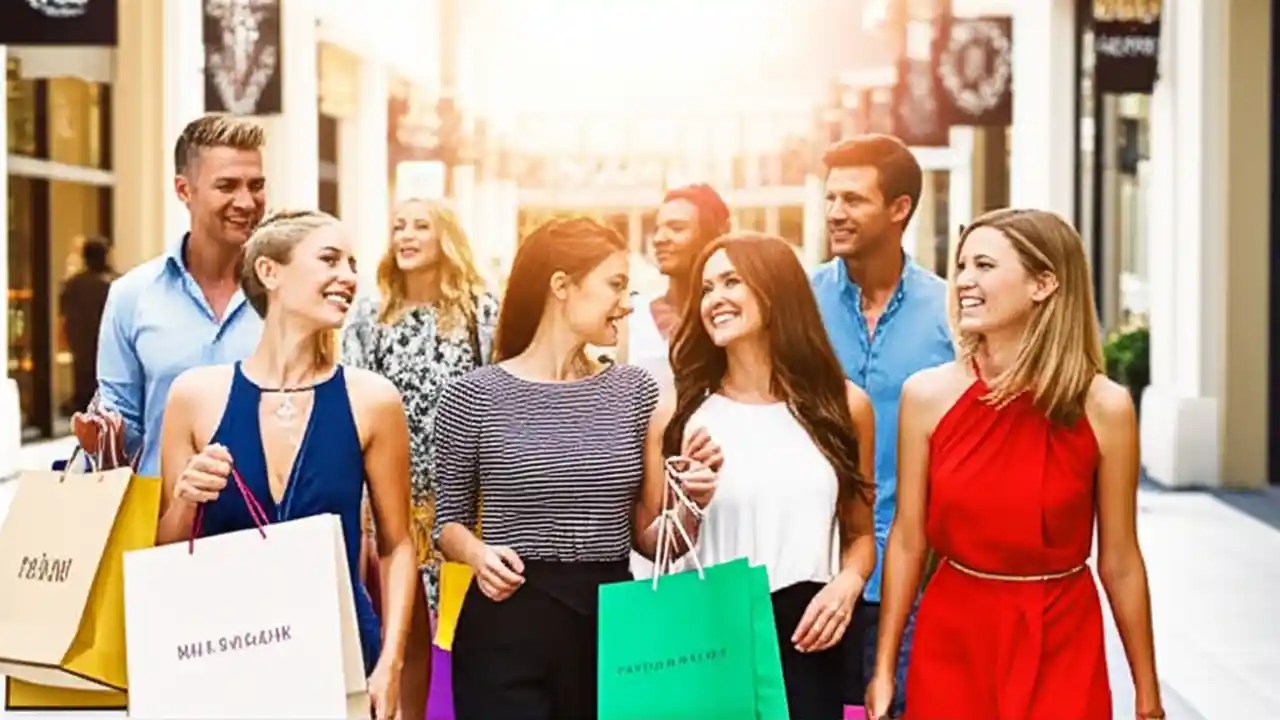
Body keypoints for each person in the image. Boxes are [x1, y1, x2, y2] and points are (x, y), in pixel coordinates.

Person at [866, 209, 1164, 720]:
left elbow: (1120, 560)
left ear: (1044, 283)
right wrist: (885, 667)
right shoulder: (927, 395)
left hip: (1063, 633)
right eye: (961, 266)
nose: (963, 282)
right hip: (953, 635)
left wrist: (1148, 695)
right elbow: (909, 538)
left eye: (984, 265)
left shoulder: (1105, 407)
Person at [431, 217, 721, 719]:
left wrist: (693, 505)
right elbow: (447, 525)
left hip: (609, 626)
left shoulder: (639, 393)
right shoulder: (471, 396)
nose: (627, 303)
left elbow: (654, 539)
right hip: (505, 622)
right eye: (615, 284)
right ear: (562, 286)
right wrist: (478, 555)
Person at [154, 209, 418, 718]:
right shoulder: (194, 395)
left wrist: (391, 663)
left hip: (341, 657)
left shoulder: (372, 400)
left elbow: (397, 544)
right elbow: (166, 553)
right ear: (270, 273)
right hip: (224, 657)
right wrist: (187, 500)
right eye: (329, 259)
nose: (348, 276)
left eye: (353, 263)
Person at [664, 232, 877, 719]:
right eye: (707, 288)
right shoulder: (681, 410)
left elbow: (861, 534)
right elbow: (651, 541)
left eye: (731, 282)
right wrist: (688, 507)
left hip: (808, 635)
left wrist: (847, 583)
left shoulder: (846, 408)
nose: (714, 298)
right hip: (708, 636)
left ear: (775, 289)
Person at [809, 134, 954, 714]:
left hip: (916, 576)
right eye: (831, 198)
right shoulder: (797, 304)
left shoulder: (949, 314)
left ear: (900, 209)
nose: (836, 213)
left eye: (854, 199)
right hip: (813, 570)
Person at [342, 198, 499, 719]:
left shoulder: (480, 310)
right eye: (397, 226)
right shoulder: (370, 312)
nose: (406, 236)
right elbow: (352, 401)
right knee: (402, 629)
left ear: (445, 236)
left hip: (462, 501)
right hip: (394, 499)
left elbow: (499, 392)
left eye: (420, 226)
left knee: (462, 628)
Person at [75, 113, 267, 474]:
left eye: (255, 185)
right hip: (165, 521)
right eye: (227, 186)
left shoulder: (286, 292)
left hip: (271, 521)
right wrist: (100, 436)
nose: (246, 202)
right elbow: (124, 424)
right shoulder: (131, 295)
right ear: (184, 190)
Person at [618, 182, 730, 387]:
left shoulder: (733, 319)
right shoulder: (631, 319)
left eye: (676, 228)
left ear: (716, 235)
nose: (659, 239)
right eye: (657, 229)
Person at [59, 236, 118, 412]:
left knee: (84, 383)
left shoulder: (73, 285)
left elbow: (64, 316)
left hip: (82, 345)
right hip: (109, 346)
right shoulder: (117, 284)